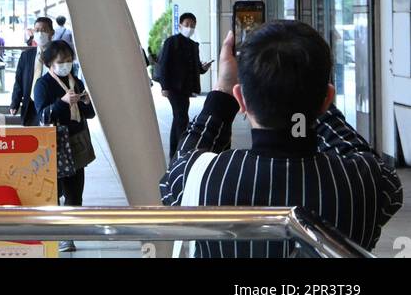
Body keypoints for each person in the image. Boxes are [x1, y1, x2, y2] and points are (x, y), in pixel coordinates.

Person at [160, 21, 404, 258]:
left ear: (241, 100)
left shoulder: (199, 176)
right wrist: (310, 98)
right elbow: (364, 158)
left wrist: (222, 93)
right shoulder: (367, 181)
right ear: (328, 98)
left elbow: (182, 163)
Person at [34, 39, 96, 253]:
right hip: (56, 144)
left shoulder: (75, 81)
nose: (66, 65)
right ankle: (56, 231)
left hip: (77, 141)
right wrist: (62, 102)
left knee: (75, 192)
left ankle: (67, 235)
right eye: (61, 61)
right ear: (50, 62)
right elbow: (42, 115)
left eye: (69, 60)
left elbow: (88, 115)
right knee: (55, 191)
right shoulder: (43, 85)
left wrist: (86, 103)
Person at [154, 13, 213, 158]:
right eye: (187, 24)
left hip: (185, 89)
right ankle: (181, 152)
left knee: (178, 117)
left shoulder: (193, 45)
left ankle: (174, 154)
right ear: (180, 26)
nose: (190, 28)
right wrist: (164, 87)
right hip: (173, 88)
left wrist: (204, 68)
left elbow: (197, 68)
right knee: (182, 118)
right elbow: (164, 65)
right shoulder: (171, 42)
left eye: (192, 25)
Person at [10, 16, 54, 125]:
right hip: (30, 105)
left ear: (52, 32)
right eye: (37, 30)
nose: (40, 33)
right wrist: (15, 103)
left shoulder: (58, 54)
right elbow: (19, 81)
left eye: (43, 30)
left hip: (51, 106)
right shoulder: (26, 55)